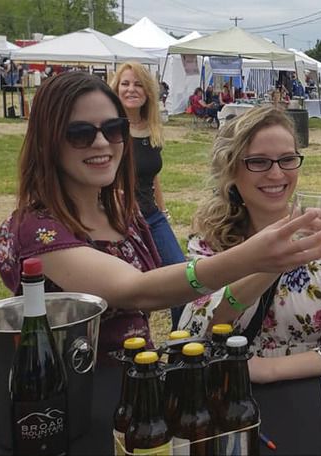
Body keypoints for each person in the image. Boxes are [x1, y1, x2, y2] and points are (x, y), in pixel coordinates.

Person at [0, 71, 321, 361]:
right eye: (80, 134)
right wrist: (257, 258)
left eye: (113, 129)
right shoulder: (36, 230)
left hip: (134, 386)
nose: (102, 143)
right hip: (69, 396)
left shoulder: (121, 211)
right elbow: (137, 291)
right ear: (47, 141)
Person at [178, 106, 321, 383]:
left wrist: (267, 369)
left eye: (287, 159)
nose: (276, 174)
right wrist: (271, 263)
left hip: (315, 401)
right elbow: (197, 333)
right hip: (231, 398)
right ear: (231, 169)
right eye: (259, 162)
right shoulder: (211, 241)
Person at [110, 62, 188, 329]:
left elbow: (152, 175)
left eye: (138, 84)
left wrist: (163, 212)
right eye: (126, 83)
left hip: (151, 217)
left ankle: (181, 345)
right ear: (116, 88)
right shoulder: (107, 127)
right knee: (133, 292)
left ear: (148, 92)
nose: (132, 89)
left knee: (183, 280)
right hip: (117, 221)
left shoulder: (152, 127)